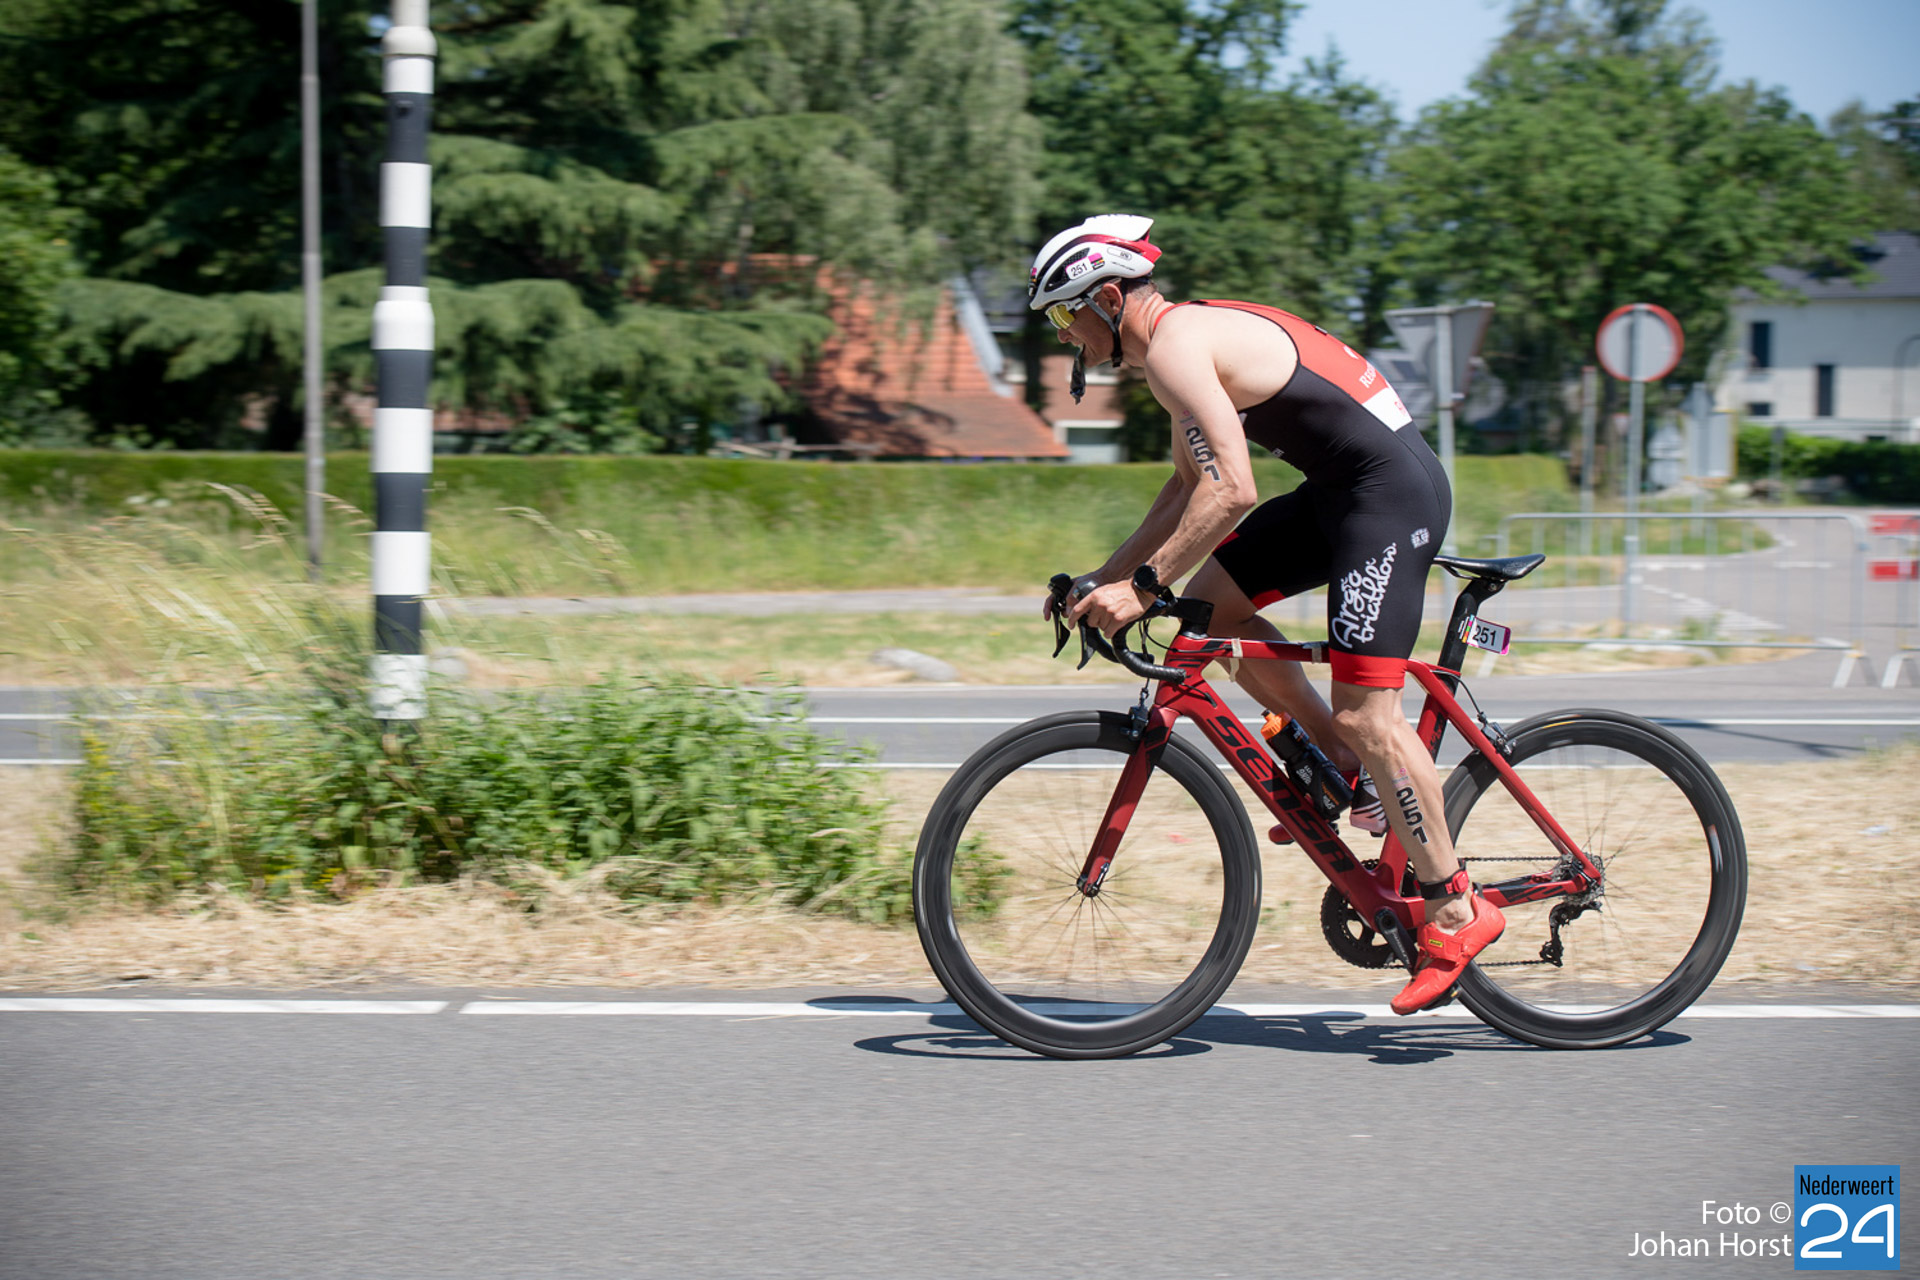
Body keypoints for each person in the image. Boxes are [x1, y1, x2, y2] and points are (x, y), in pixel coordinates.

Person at [1030, 214, 1503, 1015]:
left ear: (1108, 298)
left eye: (1064, 316)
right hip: (1341, 495)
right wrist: (1099, 579)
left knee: (1369, 711)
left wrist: (1141, 589)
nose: (1065, 337)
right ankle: (1346, 771)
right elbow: (1186, 489)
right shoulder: (1173, 351)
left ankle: (1456, 907)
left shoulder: (1178, 346)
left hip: (1386, 500)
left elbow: (1233, 491)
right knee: (1208, 612)